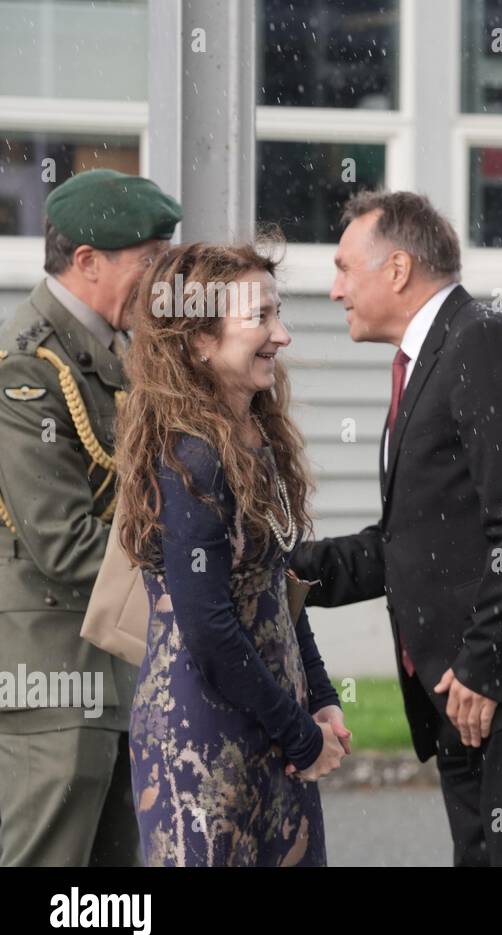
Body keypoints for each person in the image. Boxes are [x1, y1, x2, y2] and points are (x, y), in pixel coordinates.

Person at [290, 191, 502, 866]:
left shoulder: (483, 339)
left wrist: (483, 667)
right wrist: (279, 567)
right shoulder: (432, 355)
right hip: (462, 702)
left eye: (343, 269)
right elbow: (415, 541)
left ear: (396, 270)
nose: (335, 291)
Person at [115, 240, 347, 866]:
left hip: (266, 722)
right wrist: (301, 736)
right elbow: (208, 628)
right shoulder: (192, 457)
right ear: (198, 341)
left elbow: (277, 586)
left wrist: (320, 695)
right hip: (205, 738)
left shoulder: (254, 440)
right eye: (261, 318)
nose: (283, 336)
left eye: (279, 313)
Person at [0, 169, 179, 866]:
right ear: (86, 262)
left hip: (108, 670)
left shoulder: (114, 354)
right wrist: (195, 581)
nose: (162, 282)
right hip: (51, 672)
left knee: (107, 893)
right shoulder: (27, 368)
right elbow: (63, 543)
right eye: (149, 263)